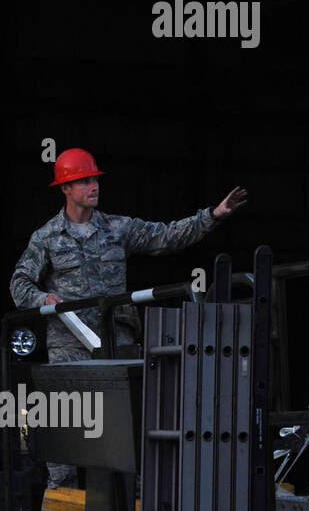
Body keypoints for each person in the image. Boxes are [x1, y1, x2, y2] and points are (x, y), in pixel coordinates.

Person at [8, 148, 248, 487]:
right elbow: (19, 283)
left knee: (124, 428)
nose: (94, 186)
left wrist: (212, 215)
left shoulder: (118, 229)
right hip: (69, 347)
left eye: (95, 179)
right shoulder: (46, 238)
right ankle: (61, 510)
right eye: (84, 181)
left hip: (116, 342)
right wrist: (43, 298)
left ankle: (133, 510)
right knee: (66, 427)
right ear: (65, 188)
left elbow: (166, 237)